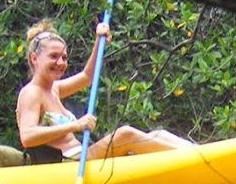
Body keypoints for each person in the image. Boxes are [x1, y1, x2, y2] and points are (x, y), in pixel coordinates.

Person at [16, 19, 193, 164]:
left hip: (82, 154)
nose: (61, 62)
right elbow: (27, 136)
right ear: (34, 58)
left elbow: (87, 76)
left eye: (64, 57)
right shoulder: (31, 93)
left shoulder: (54, 89)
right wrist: (75, 125)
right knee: (125, 134)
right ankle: (193, 161)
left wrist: (98, 43)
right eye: (53, 56)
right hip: (68, 163)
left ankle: (200, 154)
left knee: (158, 134)